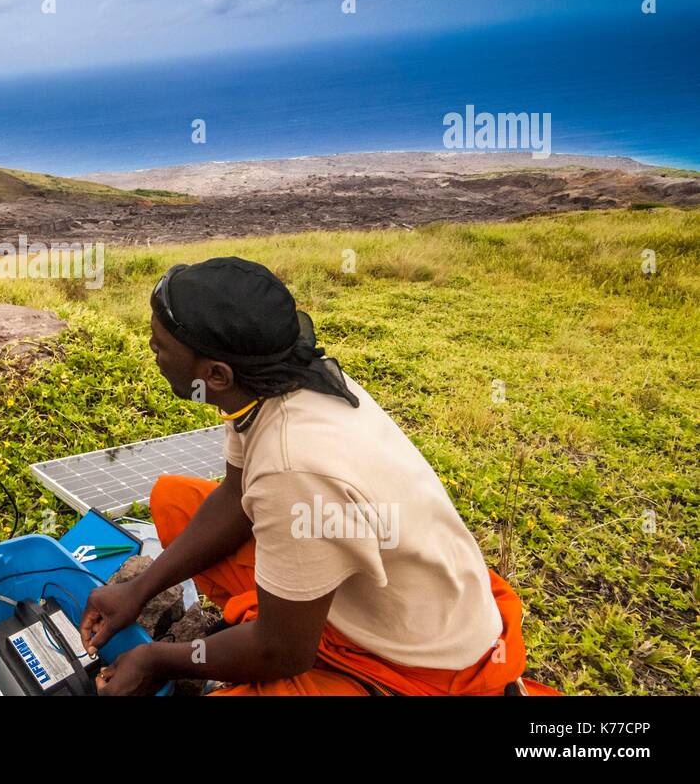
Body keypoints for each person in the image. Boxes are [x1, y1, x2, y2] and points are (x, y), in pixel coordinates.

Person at [80, 257, 559, 696]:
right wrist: (136, 592)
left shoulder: (294, 466)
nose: (151, 350)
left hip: (410, 660)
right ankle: (272, 623)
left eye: (161, 345)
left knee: (269, 658)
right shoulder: (275, 382)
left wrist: (155, 661)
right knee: (176, 500)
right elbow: (235, 497)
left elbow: (283, 651)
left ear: (217, 374)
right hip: (351, 595)